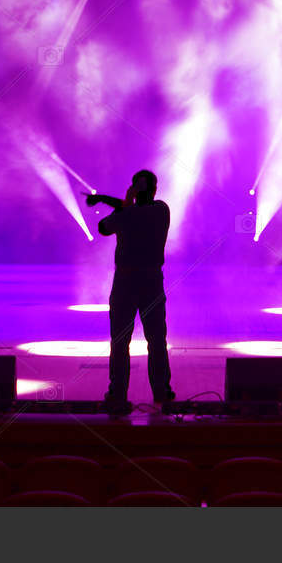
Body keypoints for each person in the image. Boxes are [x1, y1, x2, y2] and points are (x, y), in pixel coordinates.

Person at [86, 170, 174, 412]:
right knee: (157, 339)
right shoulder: (162, 210)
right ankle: (162, 391)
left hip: (125, 281)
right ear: (154, 189)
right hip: (152, 281)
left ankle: (117, 394)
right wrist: (115, 200)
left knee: (120, 340)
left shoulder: (125, 213)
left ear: (134, 189)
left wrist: (113, 199)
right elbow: (135, 210)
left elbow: (103, 228)